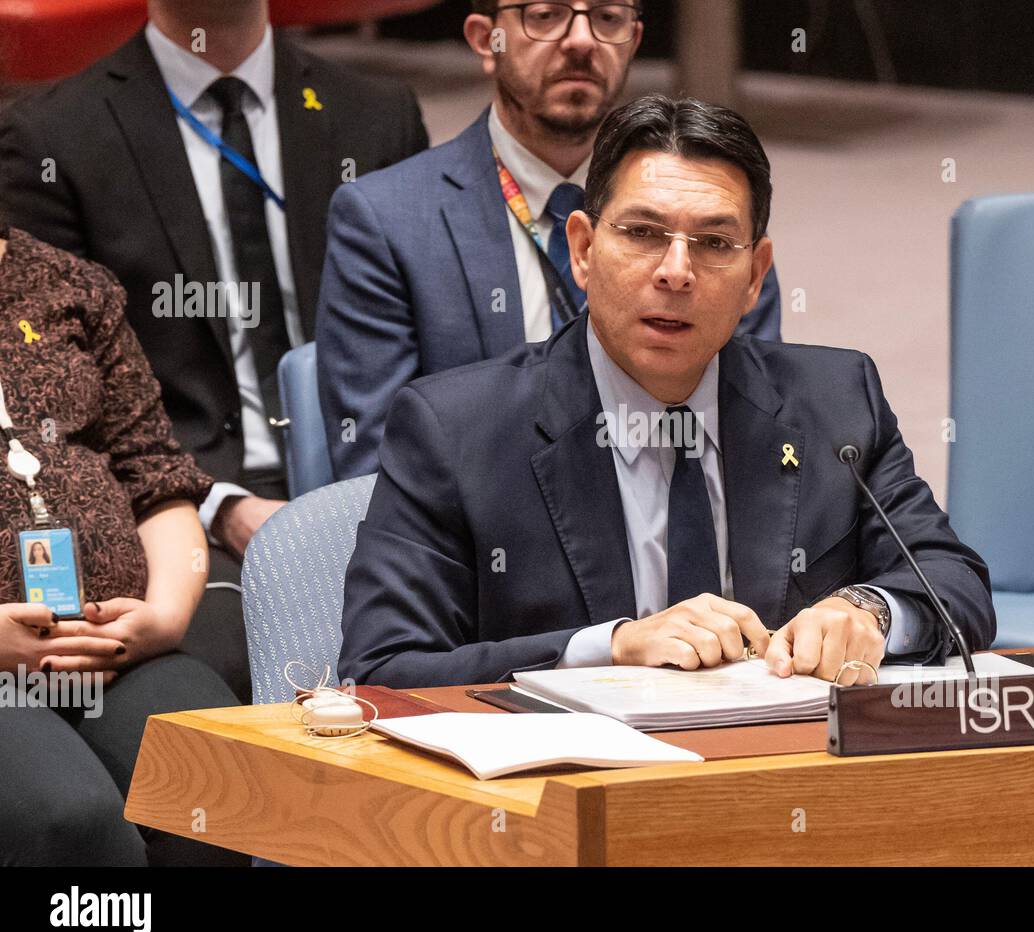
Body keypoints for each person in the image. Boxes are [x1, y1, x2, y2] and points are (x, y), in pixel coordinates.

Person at [337, 95, 995, 690]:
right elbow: (383, 666)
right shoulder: (457, 430)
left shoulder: (836, 400)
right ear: (583, 249)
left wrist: (872, 612)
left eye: (713, 243)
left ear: (755, 277)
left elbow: (955, 583)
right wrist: (609, 648)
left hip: (785, 781)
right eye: (643, 234)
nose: (676, 272)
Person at [0, 0, 429, 701]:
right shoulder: (53, 134)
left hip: (375, 496)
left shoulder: (376, 114)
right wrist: (222, 506)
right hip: (191, 516)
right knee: (226, 681)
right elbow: (61, 397)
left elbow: (421, 346)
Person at [316, 0, 783, 481]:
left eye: (607, 18)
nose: (582, 41)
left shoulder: (711, 222)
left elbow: (752, 426)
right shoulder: (387, 220)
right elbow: (380, 472)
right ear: (484, 39)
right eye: (545, 15)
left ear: (634, 40)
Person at [0, 223, 241, 865]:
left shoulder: (71, 285)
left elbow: (155, 476)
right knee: (68, 820)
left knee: (224, 783)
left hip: (116, 647)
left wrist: (163, 617)